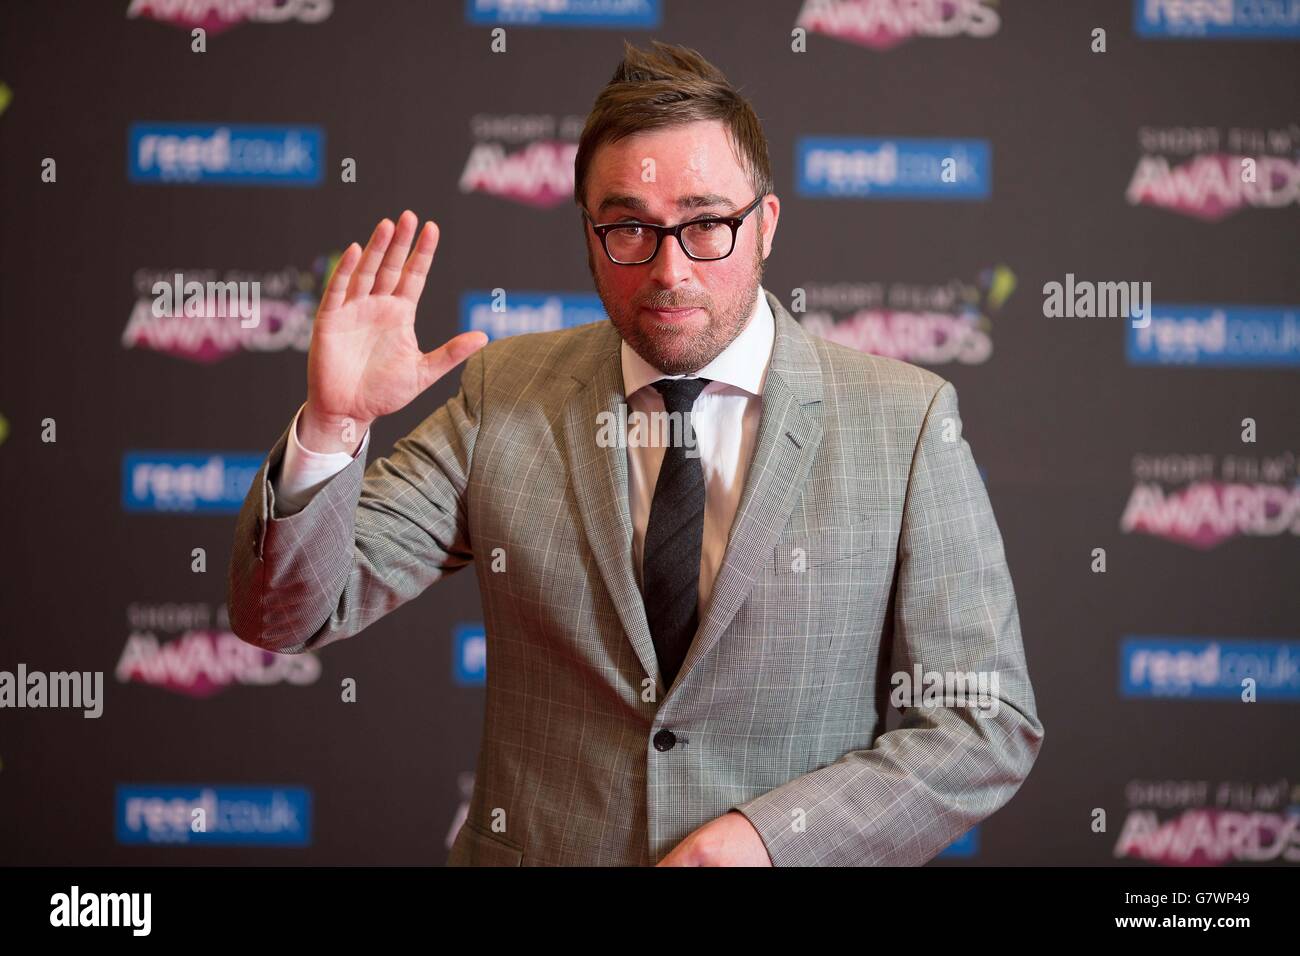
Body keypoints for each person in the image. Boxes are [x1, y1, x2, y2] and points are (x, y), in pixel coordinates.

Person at [228, 40, 1043, 866]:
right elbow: (286, 616)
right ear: (588, 234)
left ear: (764, 224)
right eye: (629, 229)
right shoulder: (503, 393)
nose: (669, 269)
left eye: (706, 224)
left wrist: (771, 842)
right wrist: (333, 426)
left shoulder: (905, 420)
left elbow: (984, 721)